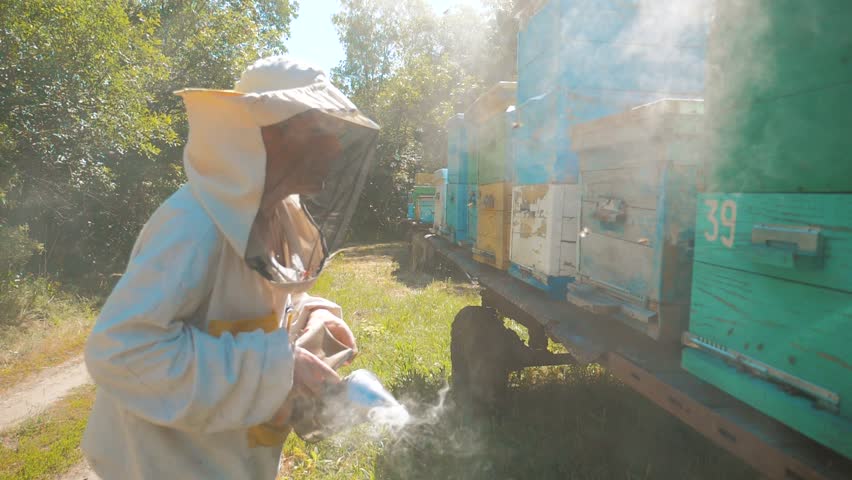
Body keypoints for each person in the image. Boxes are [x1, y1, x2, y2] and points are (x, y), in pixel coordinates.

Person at [82, 56, 380, 479]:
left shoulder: (278, 213)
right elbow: (121, 351)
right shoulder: (194, 223)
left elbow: (259, 299)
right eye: (320, 130)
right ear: (268, 136)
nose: (335, 147)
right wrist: (281, 367)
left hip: (229, 457)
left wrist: (311, 312)